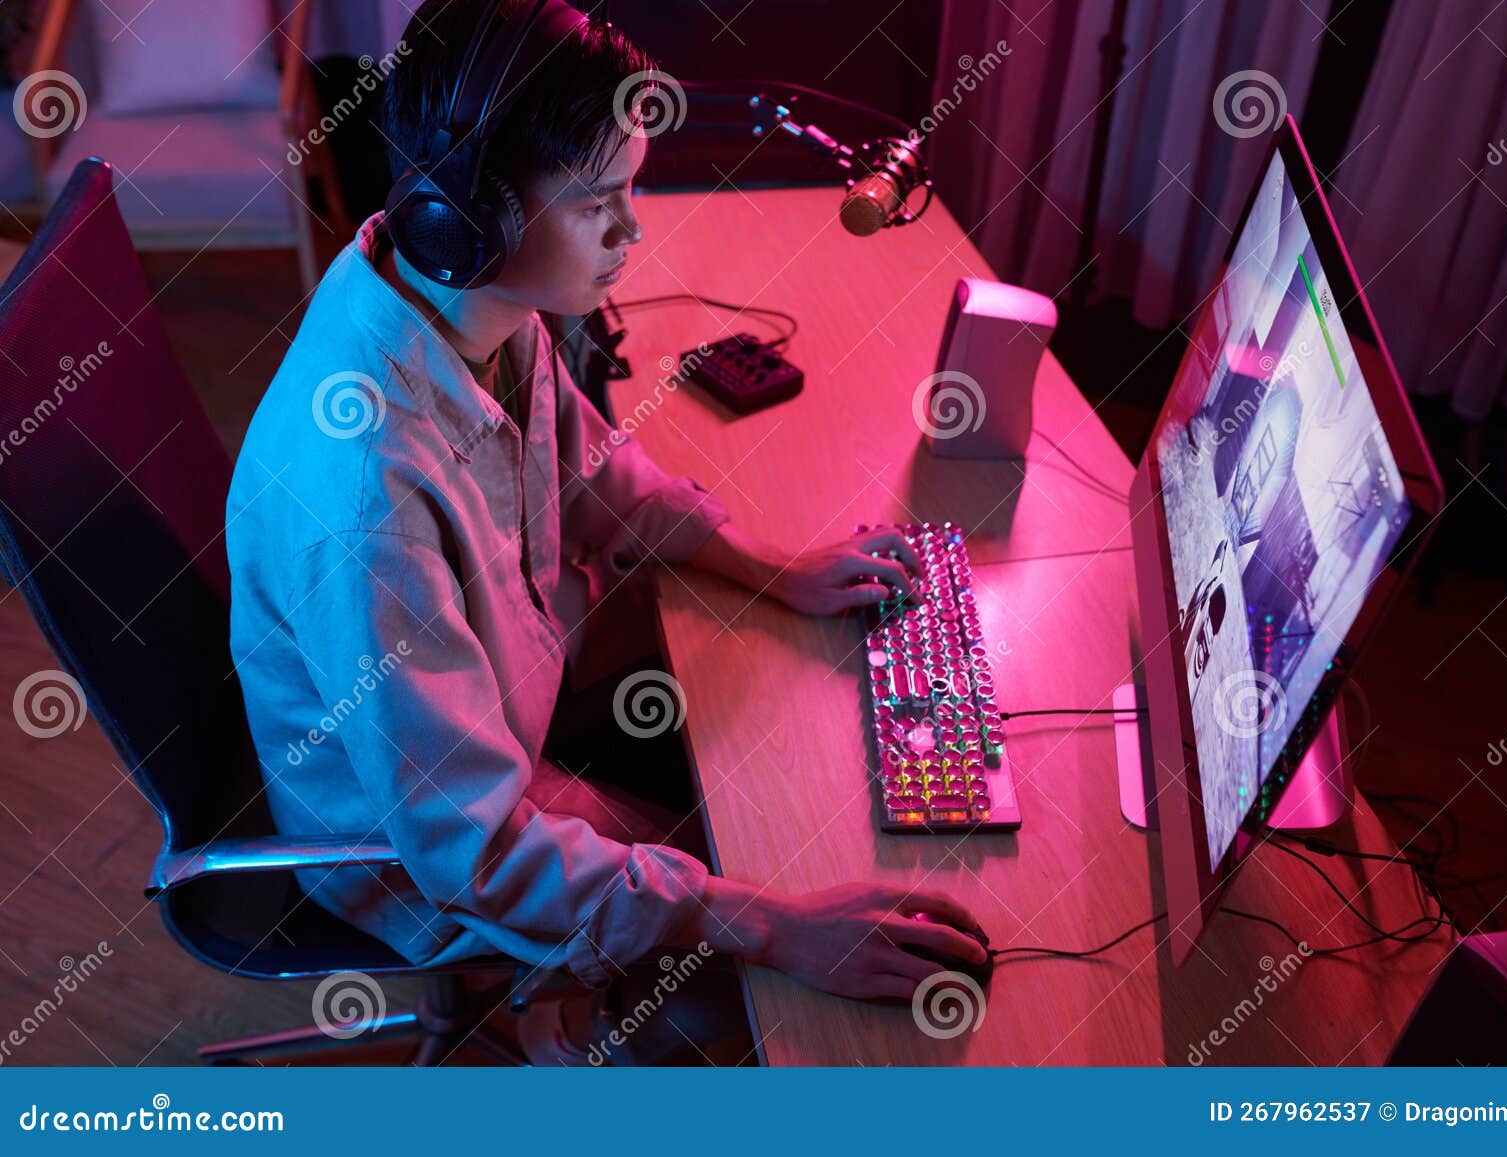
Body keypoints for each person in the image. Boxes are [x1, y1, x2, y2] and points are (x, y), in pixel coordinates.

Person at [224, 0, 986, 1062]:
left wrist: (769, 568)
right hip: (425, 844)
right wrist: (769, 921)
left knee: (770, 735)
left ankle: (589, 982)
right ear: (466, 218)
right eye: (601, 203)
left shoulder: (462, 300)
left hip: (495, 706)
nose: (635, 231)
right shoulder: (366, 497)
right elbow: (473, 850)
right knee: (790, 1002)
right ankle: (561, 1017)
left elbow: (585, 466)